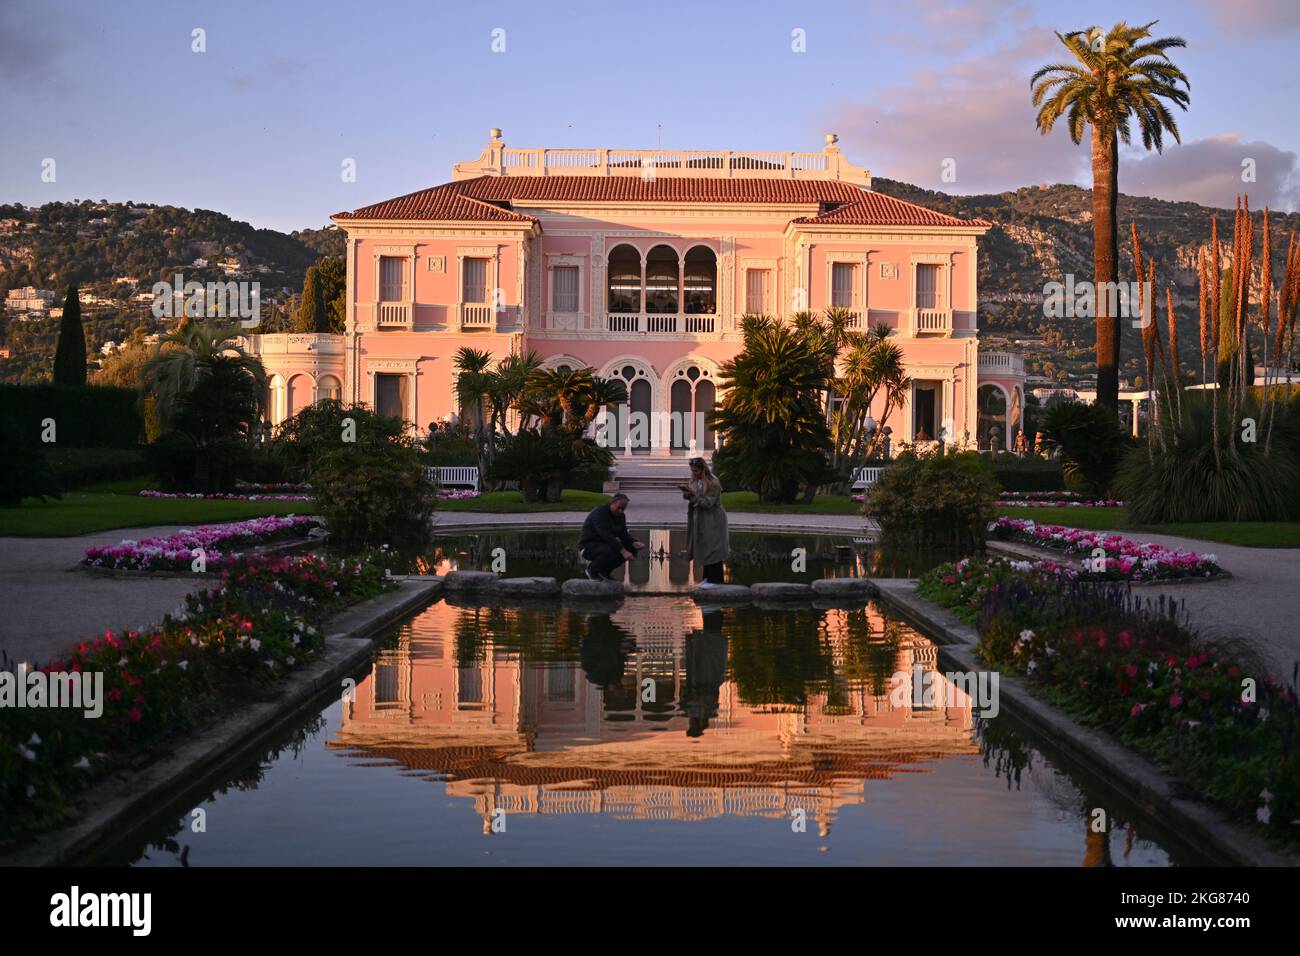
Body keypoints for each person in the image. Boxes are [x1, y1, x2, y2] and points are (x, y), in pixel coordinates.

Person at [681, 457, 728, 588]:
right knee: (705, 546)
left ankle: (716, 579)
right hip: (701, 518)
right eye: (692, 471)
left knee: (713, 547)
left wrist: (693, 496)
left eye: (696, 471)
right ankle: (707, 577)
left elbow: (708, 503)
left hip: (713, 519)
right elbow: (696, 498)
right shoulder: (696, 481)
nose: (694, 473)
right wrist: (687, 494)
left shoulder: (713, 482)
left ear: (703, 469)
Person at [579, 493, 645, 581]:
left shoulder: (620, 516)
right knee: (610, 551)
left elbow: (623, 534)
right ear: (612, 503)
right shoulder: (599, 513)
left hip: (605, 545)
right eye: (619, 508)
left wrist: (633, 542)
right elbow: (606, 535)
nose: (621, 511)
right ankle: (592, 570)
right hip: (588, 546)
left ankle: (605, 572)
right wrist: (623, 551)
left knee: (631, 549)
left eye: (623, 509)